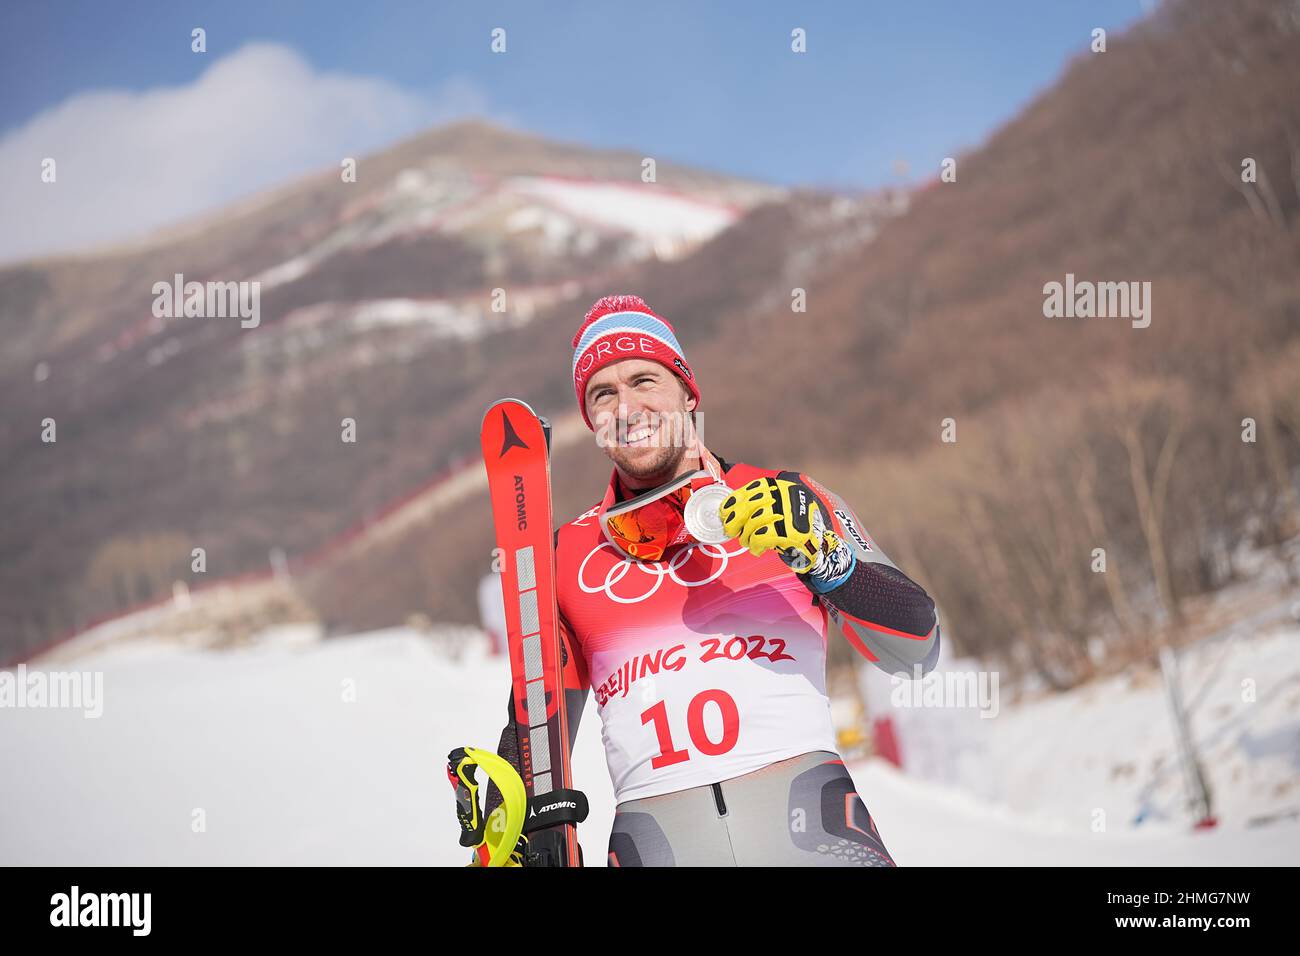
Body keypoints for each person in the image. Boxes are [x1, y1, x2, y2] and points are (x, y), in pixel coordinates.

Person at [485, 294, 939, 866]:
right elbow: (535, 728)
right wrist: (510, 815)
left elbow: (918, 648)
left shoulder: (788, 501)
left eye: (644, 380)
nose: (626, 406)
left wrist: (828, 564)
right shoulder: (566, 555)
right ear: (591, 422)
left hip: (818, 838)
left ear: (689, 394)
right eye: (604, 393)